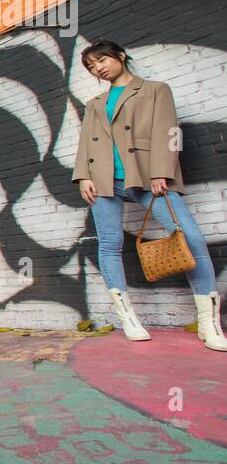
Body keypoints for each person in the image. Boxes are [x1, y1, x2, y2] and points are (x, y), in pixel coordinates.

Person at [72, 39, 226, 350]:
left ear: (121, 56)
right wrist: (82, 177)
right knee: (110, 245)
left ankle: (209, 323)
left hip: (145, 175)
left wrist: (162, 171)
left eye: (101, 59)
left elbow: (169, 131)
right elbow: (85, 141)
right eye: (91, 66)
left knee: (191, 239)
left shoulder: (156, 89)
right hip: (102, 180)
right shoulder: (94, 104)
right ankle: (127, 317)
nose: (98, 68)